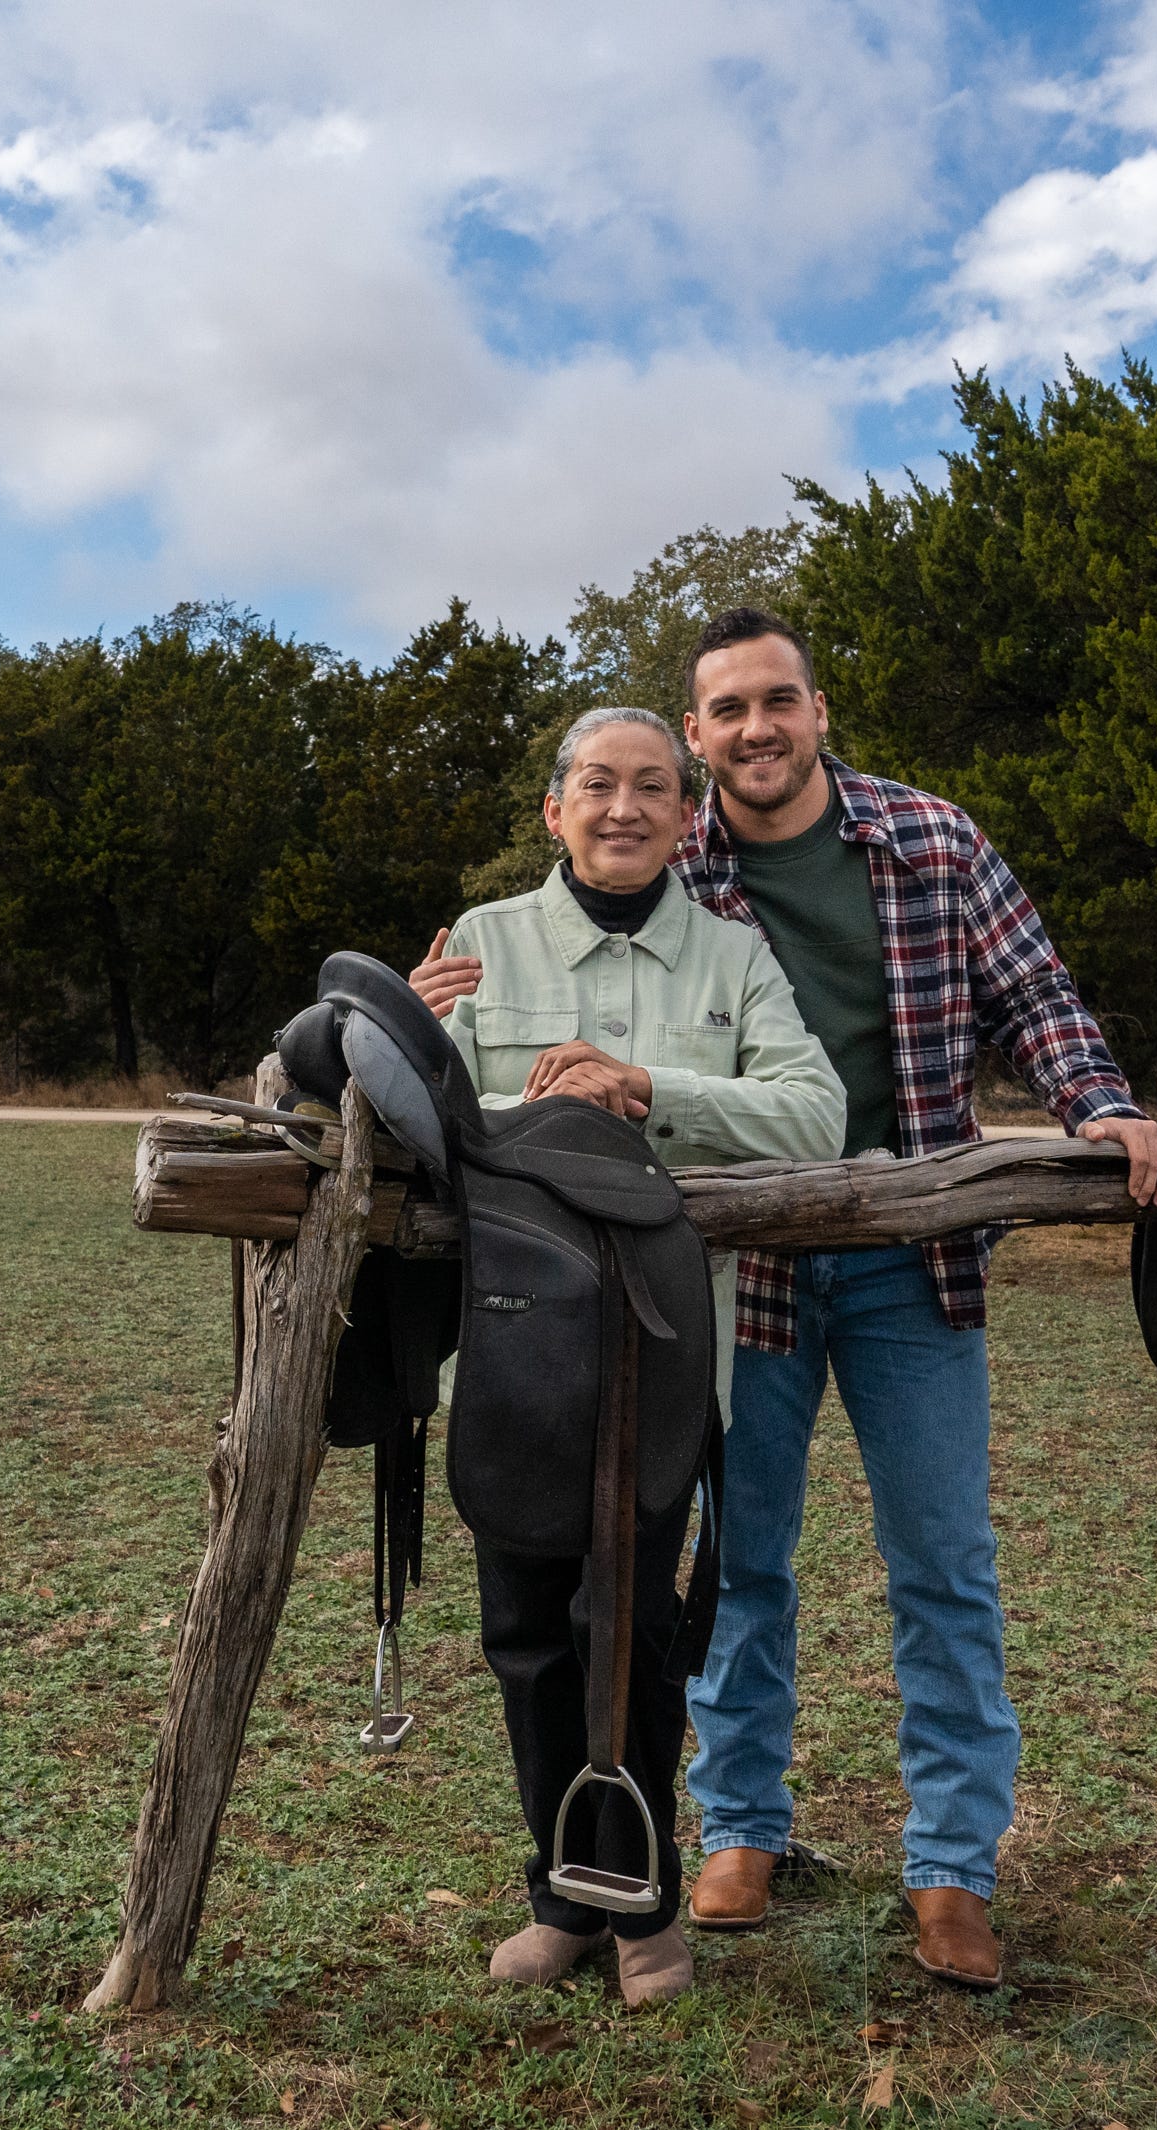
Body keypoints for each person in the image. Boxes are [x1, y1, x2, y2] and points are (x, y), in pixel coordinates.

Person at [675, 607, 1157, 1987]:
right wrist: (440, 1000)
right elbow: (571, 956)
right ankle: (738, 1823)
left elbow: (1035, 995)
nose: (757, 728)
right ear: (696, 734)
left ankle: (954, 1865)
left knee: (944, 1563)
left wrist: (1103, 1106)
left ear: (820, 710)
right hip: (745, 1254)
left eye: (779, 700)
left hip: (916, 1252)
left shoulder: (934, 839)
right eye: (728, 710)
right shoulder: (674, 858)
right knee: (739, 1554)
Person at [414, 703, 844, 2009]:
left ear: (683, 815)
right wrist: (412, 1043)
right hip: (509, 1364)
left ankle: (645, 1902)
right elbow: (370, 1113)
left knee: (643, 1631)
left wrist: (647, 1088)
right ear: (554, 809)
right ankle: (563, 1899)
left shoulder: (733, 960)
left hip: (662, 1370)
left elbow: (817, 1109)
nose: (621, 807)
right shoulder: (476, 948)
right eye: (595, 784)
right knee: (528, 1634)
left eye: (651, 786)